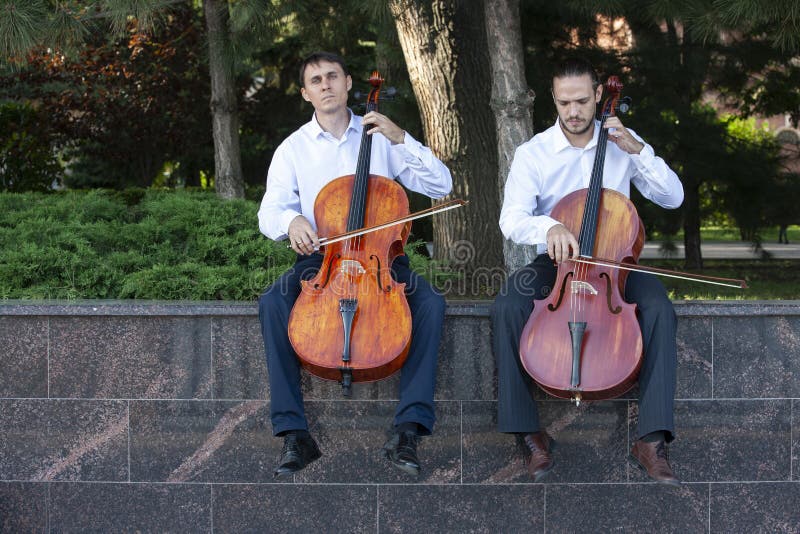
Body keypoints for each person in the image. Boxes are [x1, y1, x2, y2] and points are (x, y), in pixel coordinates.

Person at [257, 51, 452, 478]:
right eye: (315, 80)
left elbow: (442, 184)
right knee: (272, 302)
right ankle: (294, 433)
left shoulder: (380, 137)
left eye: (332, 76)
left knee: (431, 304)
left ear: (348, 84)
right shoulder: (293, 149)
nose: (325, 85)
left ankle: (409, 428)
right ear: (307, 93)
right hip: (322, 259)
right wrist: (291, 221)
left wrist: (402, 139)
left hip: (381, 259)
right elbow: (269, 211)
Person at [491, 57, 684, 485]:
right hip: (557, 264)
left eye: (581, 101)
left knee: (658, 310)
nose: (573, 112)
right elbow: (511, 219)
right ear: (554, 100)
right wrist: (550, 226)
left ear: (599, 95)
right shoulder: (533, 152)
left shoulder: (622, 143)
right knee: (506, 306)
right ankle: (528, 434)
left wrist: (639, 151)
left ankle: (651, 439)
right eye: (564, 103)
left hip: (615, 262)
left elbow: (673, 198)